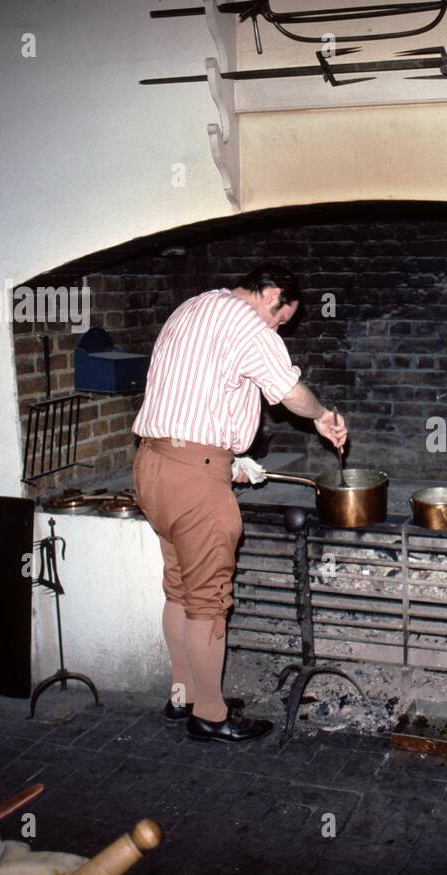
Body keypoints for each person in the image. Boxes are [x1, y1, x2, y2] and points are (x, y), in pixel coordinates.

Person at [131, 264, 347, 743]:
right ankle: (210, 713)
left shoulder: (192, 307)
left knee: (180, 589)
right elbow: (290, 394)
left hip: (153, 464)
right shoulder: (248, 322)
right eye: (281, 318)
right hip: (192, 478)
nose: (277, 328)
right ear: (270, 295)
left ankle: (183, 693)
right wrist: (323, 417)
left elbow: (193, 399)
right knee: (209, 601)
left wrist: (227, 460)